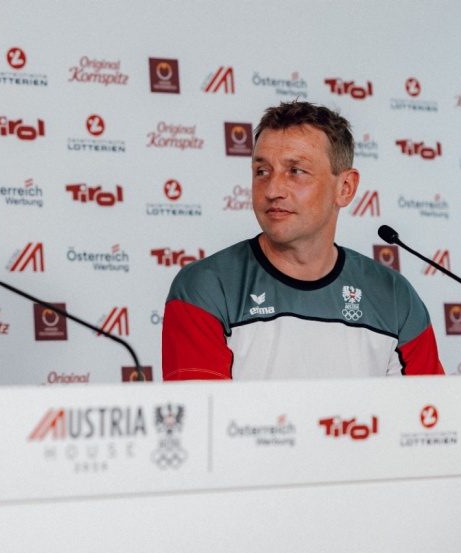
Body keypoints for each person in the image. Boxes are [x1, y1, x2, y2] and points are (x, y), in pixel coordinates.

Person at [162, 101, 443, 380]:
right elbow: (203, 419)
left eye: (295, 171)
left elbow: (427, 417)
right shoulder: (205, 288)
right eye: (262, 171)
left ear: (345, 188)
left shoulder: (395, 297)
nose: (272, 190)